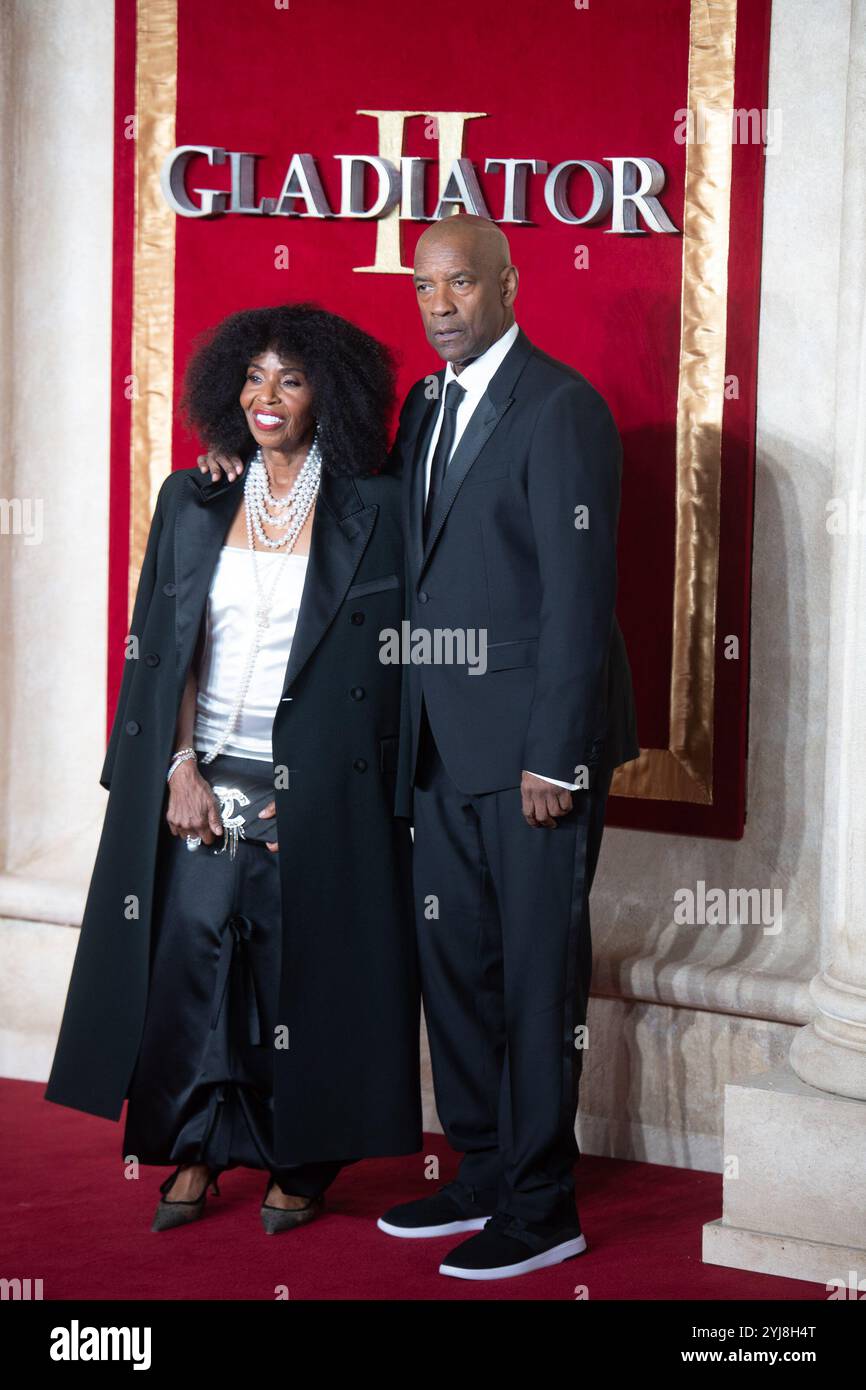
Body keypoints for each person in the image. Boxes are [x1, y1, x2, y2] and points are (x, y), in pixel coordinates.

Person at [45, 303, 422, 1233]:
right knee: (191, 969)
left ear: (326, 393)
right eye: (252, 378)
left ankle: (301, 1161)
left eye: (289, 379)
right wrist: (179, 768)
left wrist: (338, 792)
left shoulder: (374, 508)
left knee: (299, 979)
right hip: (201, 771)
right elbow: (167, 650)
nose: (266, 397)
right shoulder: (195, 495)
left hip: (318, 790)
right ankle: (194, 1149)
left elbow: (394, 668)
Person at [375, 214, 639, 1279]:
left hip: (532, 757)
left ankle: (543, 1203)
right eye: (425, 288)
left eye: (460, 285)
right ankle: (482, 1163)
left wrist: (554, 756)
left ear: (509, 285)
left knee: (535, 976)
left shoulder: (562, 407)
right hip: (439, 746)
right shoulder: (421, 404)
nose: (440, 305)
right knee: (459, 972)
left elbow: (578, 601)